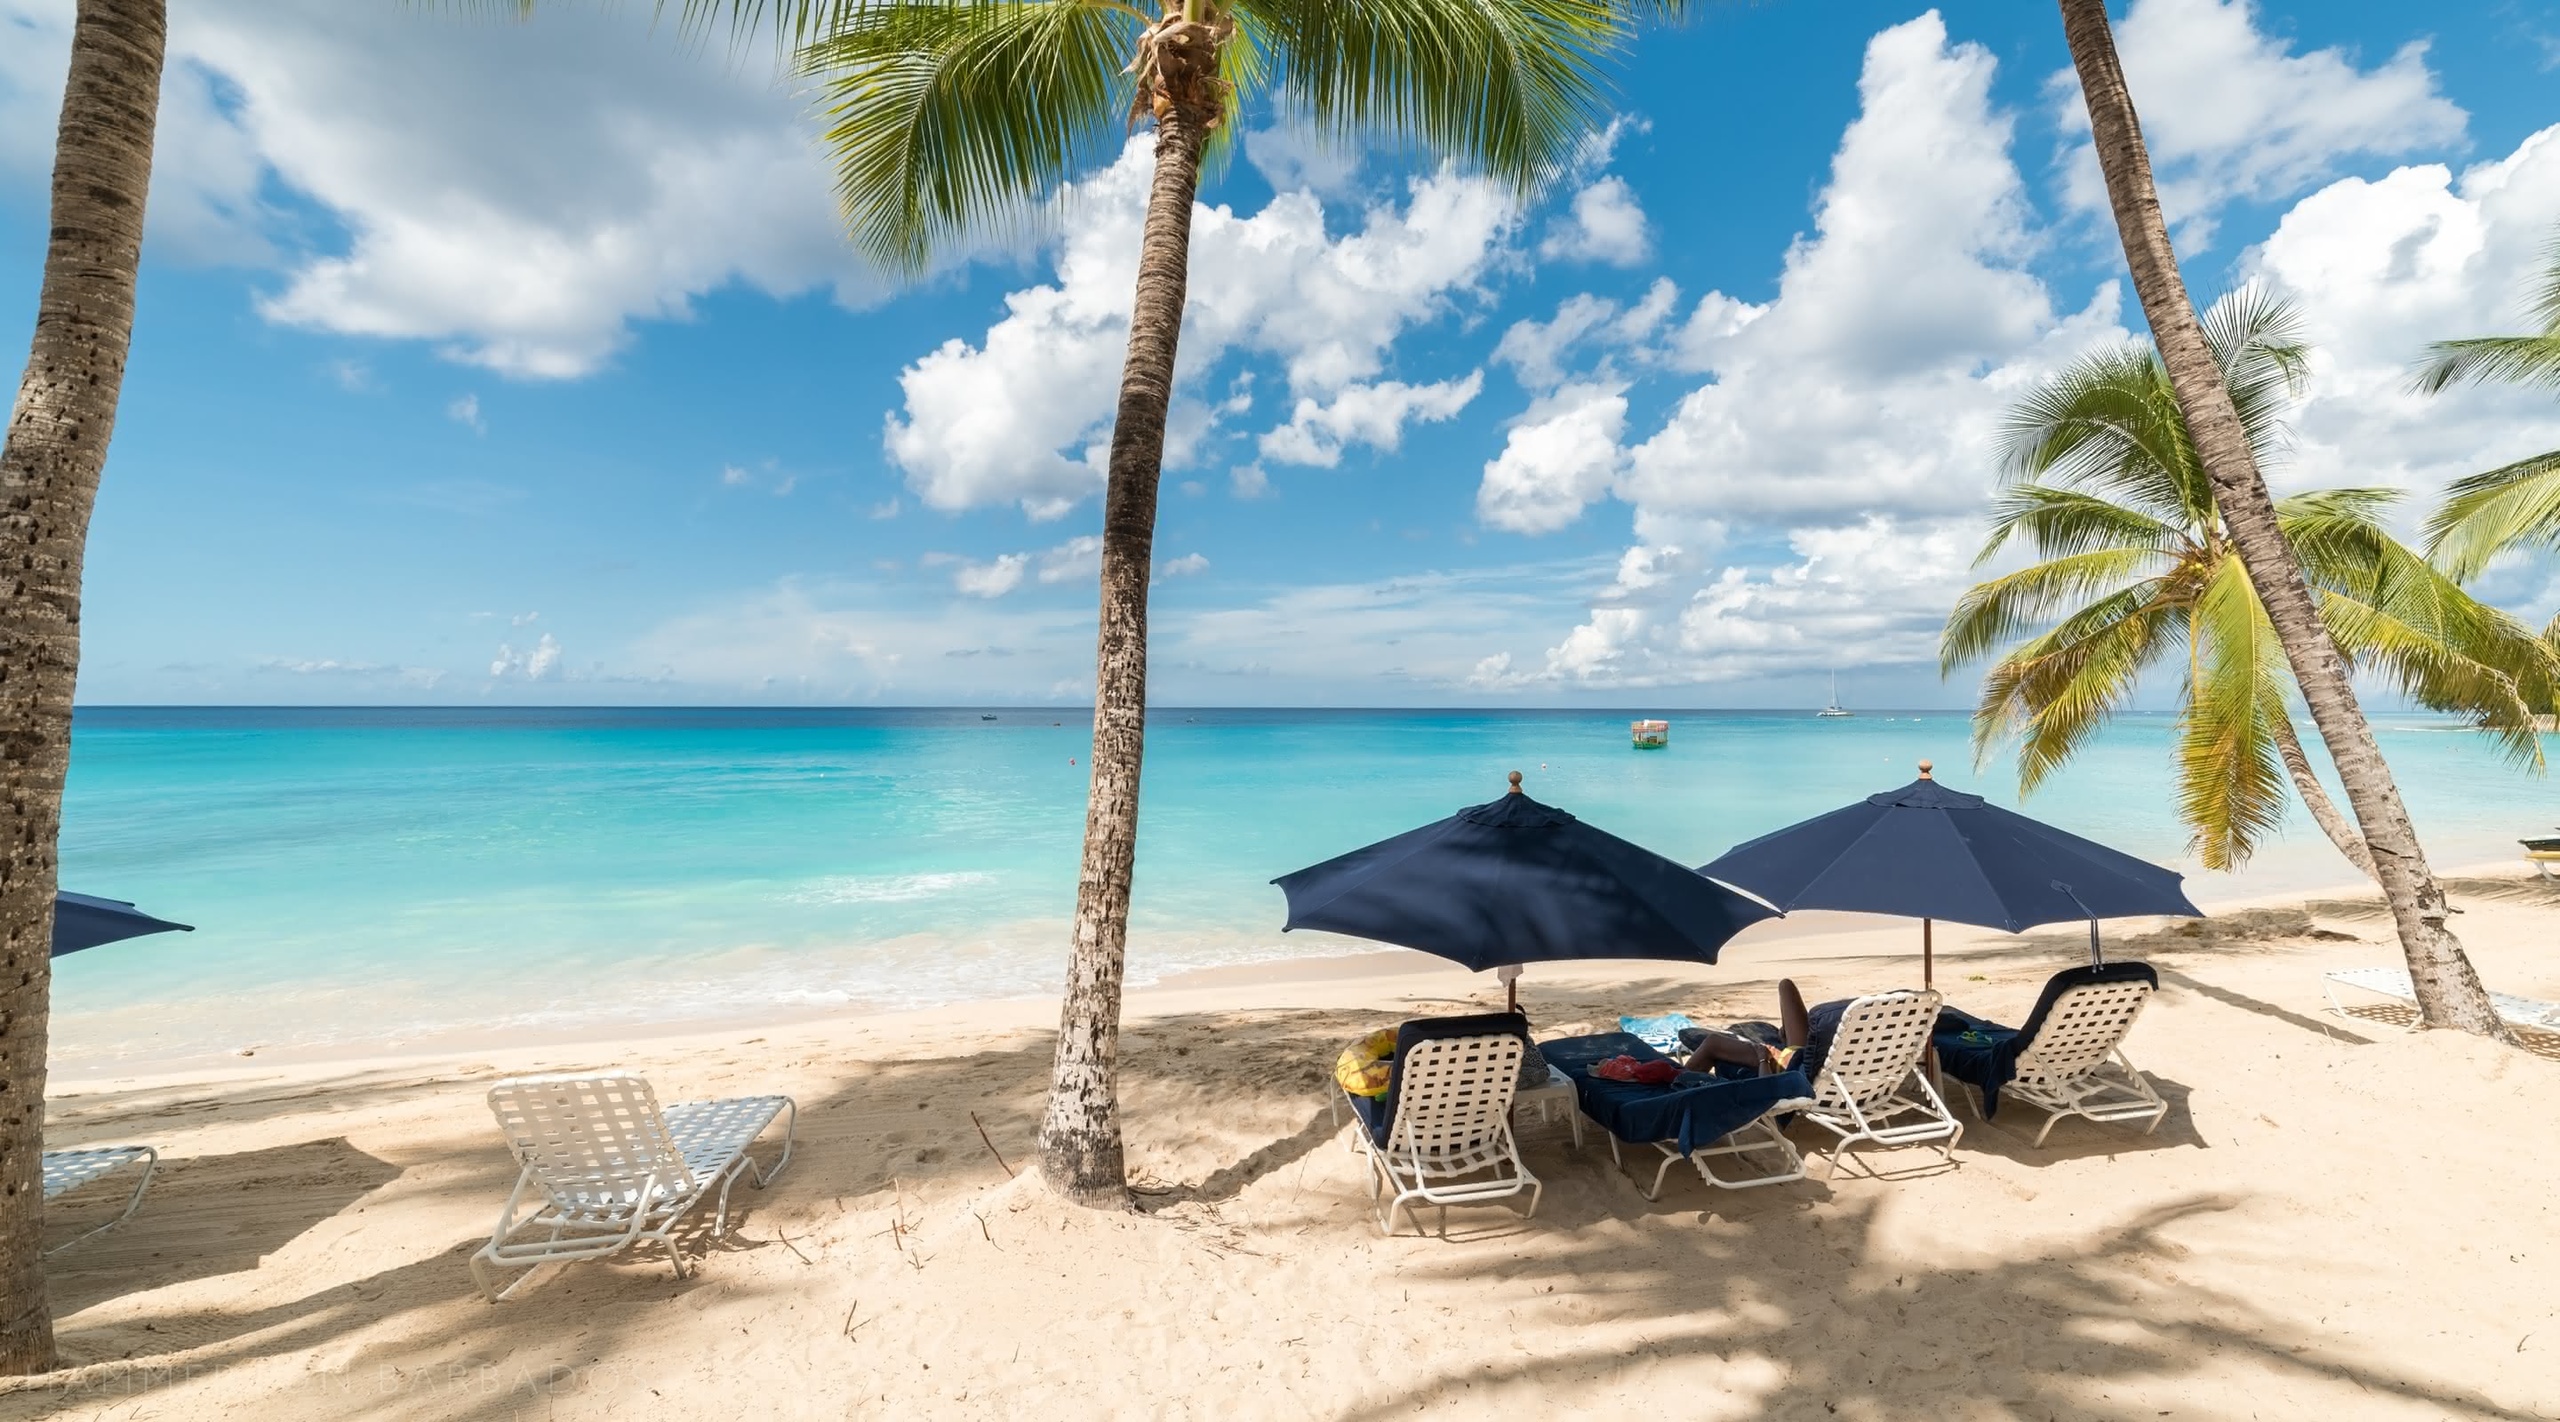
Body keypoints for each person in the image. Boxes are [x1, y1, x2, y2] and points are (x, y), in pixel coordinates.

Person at [1680, 979, 1851, 1082]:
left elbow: (1769, 1086)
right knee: (1785, 985)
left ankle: (1677, 1088)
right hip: (1806, 1057)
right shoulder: (1873, 1019)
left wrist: (1763, 1059)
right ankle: (1678, 1085)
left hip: (1789, 1070)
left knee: (1713, 1043)